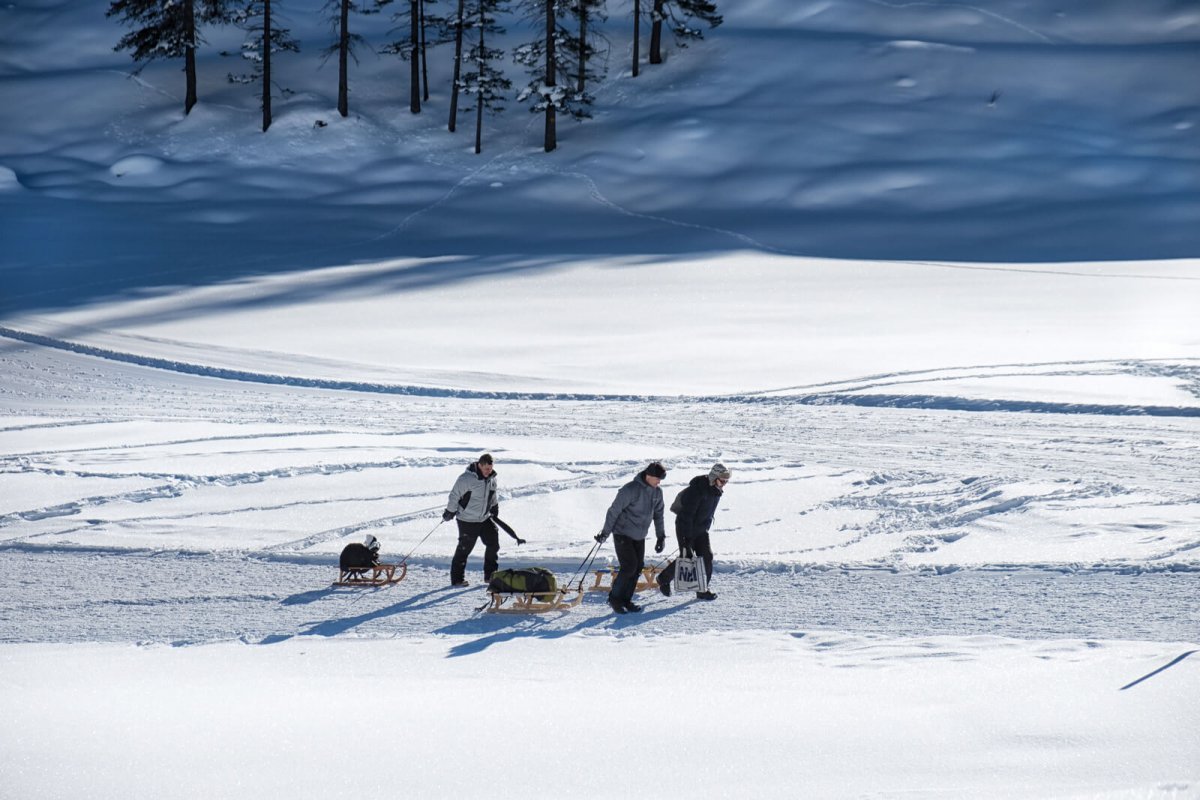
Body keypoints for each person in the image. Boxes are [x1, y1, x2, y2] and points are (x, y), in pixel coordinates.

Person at [595, 462, 667, 614]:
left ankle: (626, 600)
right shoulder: (630, 489)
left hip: (639, 536)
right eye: (657, 479)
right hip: (622, 533)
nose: (659, 482)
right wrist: (605, 533)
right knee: (629, 567)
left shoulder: (657, 493)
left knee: (637, 568)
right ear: (648, 476)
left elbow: (659, 515)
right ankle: (614, 599)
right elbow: (614, 511)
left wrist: (660, 536)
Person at [658, 463, 731, 601]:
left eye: (726, 481)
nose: (724, 484)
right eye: (722, 480)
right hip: (685, 527)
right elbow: (686, 515)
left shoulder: (716, 490)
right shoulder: (697, 490)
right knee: (686, 557)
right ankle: (663, 579)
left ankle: (702, 590)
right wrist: (686, 538)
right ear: (714, 477)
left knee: (707, 557)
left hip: (701, 529)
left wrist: (705, 526)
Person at [443, 453, 509, 587]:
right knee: (464, 549)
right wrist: (450, 511)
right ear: (480, 465)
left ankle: (491, 576)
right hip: (467, 519)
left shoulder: (492, 478)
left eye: (490, 469)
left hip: (484, 518)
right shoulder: (466, 479)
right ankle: (457, 579)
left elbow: (492, 495)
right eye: (486, 469)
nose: (489, 471)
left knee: (493, 543)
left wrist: (494, 507)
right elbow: (454, 495)